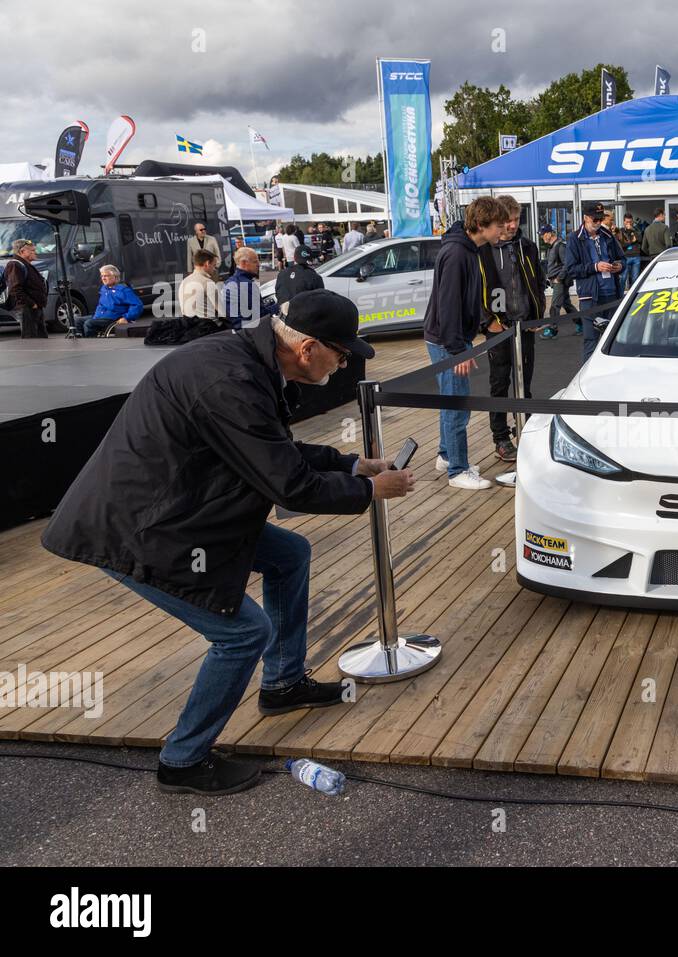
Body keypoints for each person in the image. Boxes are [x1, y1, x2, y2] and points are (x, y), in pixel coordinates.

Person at [41, 289, 404, 795]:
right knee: (241, 635)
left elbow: (273, 451)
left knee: (290, 555)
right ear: (307, 349)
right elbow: (289, 485)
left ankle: (282, 683)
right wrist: (368, 489)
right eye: (341, 355)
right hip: (140, 528)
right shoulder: (230, 379)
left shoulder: (247, 364)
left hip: (182, 510)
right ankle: (183, 760)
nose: (344, 366)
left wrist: (348, 464)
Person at [423, 196, 508, 489]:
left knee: (454, 403)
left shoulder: (468, 248)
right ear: (482, 225)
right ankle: (457, 470)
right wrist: (458, 350)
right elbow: (448, 306)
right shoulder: (459, 253)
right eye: (499, 225)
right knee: (457, 406)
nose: (504, 230)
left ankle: (447, 456)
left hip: (452, 339)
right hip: (449, 341)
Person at [479, 195, 545, 462]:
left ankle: (525, 429)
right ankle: (501, 437)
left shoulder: (527, 246)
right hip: (498, 327)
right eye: (507, 220)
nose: (512, 225)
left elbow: (537, 282)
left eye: (516, 219)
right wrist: (489, 321)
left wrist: (537, 315)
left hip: (524, 325)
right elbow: (476, 290)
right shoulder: (484, 250)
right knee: (499, 382)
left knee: (524, 382)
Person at [567, 202, 624, 362]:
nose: (598, 222)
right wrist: (595, 267)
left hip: (612, 295)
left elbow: (622, 259)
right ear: (585, 218)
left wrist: (619, 266)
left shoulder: (607, 236)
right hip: (590, 298)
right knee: (591, 340)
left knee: (614, 340)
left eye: (600, 218)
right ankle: (588, 379)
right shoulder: (574, 238)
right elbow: (571, 269)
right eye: (595, 219)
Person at [78, 265, 143, 337]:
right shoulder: (104, 289)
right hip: (99, 317)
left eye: (106, 276)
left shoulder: (123, 290)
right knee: (78, 321)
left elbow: (137, 305)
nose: (103, 278)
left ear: (115, 277)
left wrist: (126, 318)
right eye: (102, 276)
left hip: (112, 319)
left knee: (89, 323)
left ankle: (91, 344)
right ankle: (82, 341)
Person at [4, 238, 51, 338]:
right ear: (22, 251)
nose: (35, 253)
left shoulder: (26, 264)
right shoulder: (14, 265)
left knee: (41, 338)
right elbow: (15, 289)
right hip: (27, 309)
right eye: (32, 251)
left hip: (34, 308)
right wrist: (31, 304)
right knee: (30, 339)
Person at [222, 246, 274, 329]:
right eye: (255, 262)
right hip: (251, 331)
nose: (259, 264)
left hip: (236, 328)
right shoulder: (247, 285)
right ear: (243, 263)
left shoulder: (228, 282)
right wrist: (280, 306)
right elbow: (262, 315)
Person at [541, 225, 577, 337]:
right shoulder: (553, 247)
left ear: (549, 234)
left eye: (543, 234)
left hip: (560, 282)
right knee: (567, 304)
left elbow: (567, 264)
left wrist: (559, 278)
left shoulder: (560, 246)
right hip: (557, 280)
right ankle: (581, 323)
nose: (542, 237)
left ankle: (552, 330)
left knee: (555, 305)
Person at [179, 249, 223, 320]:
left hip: (189, 326)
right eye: (214, 265)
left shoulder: (184, 282)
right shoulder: (207, 283)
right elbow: (223, 312)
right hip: (208, 327)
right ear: (207, 263)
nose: (214, 269)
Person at [616, 213, 644, 289]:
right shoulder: (620, 231)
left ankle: (633, 296)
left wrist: (633, 230)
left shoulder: (636, 229)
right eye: (627, 222)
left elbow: (640, 239)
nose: (629, 223)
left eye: (630, 222)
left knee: (635, 279)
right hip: (626, 257)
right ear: (624, 222)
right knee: (623, 278)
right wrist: (631, 242)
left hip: (636, 256)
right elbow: (622, 245)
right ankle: (621, 297)